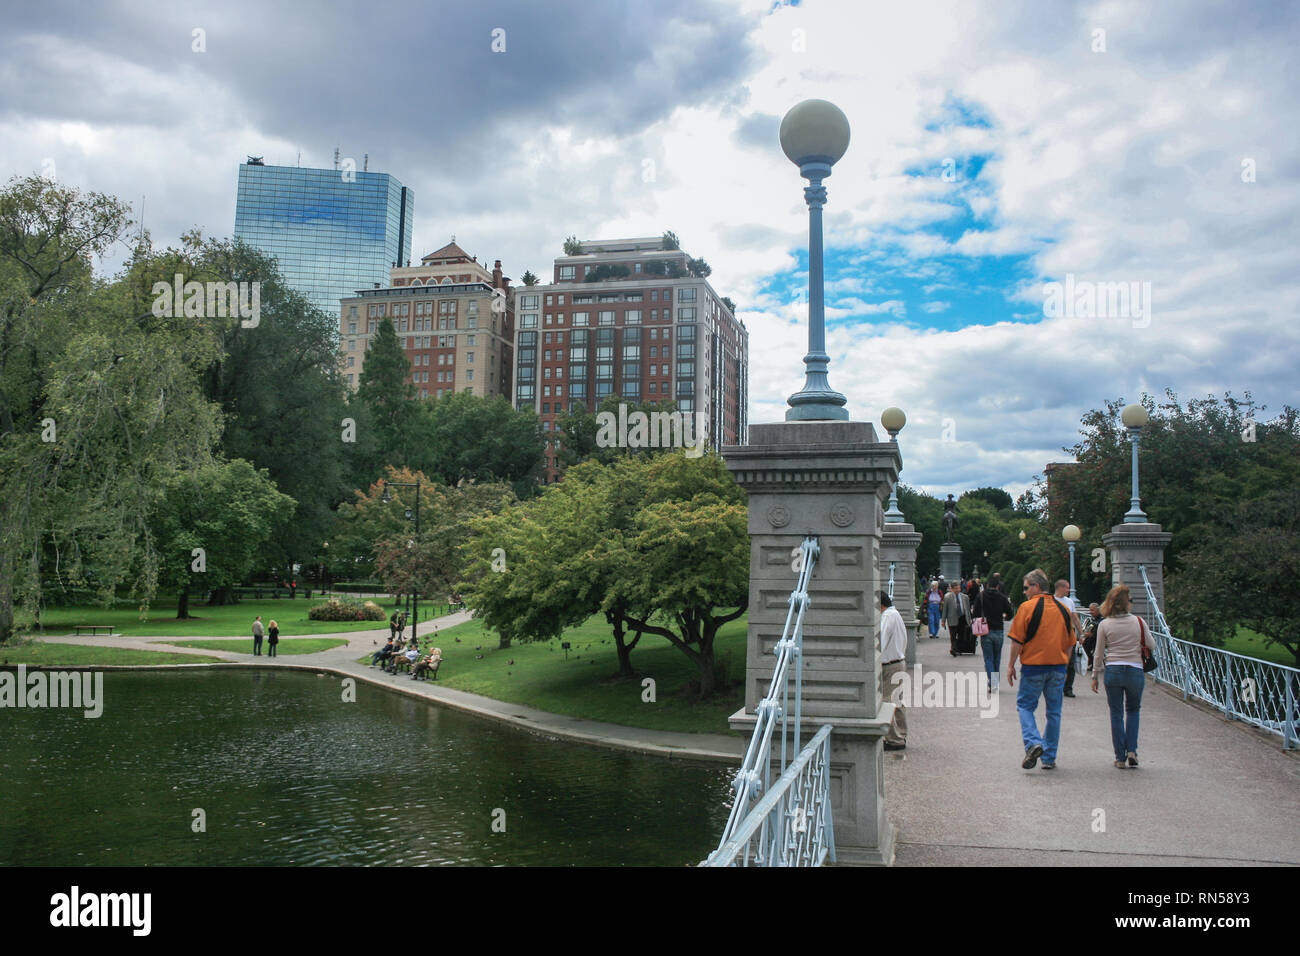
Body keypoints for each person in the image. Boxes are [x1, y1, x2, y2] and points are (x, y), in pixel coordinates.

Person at [1006, 568, 1076, 770]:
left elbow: (1017, 642)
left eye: (1027, 588)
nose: (1025, 592)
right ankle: (1049, 757)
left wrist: (1011, 665)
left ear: (1037, 587)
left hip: (1034, 667)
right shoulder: (1063, 609)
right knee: (1054, 712)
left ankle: (1033, 742)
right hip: (1057, 667)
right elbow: (1071, 642)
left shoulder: (1027, 608)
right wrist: (1064, 666)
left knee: (1025, 706)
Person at [1091, 584, 1154, 769]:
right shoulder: (1139, 622)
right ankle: (1132, 750)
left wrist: (1094, 675)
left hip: (1113, 671)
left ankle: (1120, 757)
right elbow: (1152, 645)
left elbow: (1098, 652)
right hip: (1135, 670)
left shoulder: (1105, 624)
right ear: (1127, 603)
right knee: (1133, 711)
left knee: (1116, 713)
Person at [878, 593, 908, 751]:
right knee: (897, 702)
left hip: (889, 666)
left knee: (885, 702)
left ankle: (893, 739)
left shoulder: (887, 616)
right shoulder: (896, 614)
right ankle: (901, 734)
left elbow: (880, 643)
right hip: (899, 662)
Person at [972, 576, 1012, 692]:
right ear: (998, 586)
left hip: (985, 630)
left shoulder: (981, 596)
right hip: (998, 630)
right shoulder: (1002, 597)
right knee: (997, 658)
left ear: (988, 585)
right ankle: (994, 682)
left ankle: (993, 683)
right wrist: (1003, 617)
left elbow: (975, 613)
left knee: (988, 658)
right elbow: (1009, 614)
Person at [1053, 580, 1084, 697]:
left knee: (1070, 664)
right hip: (1055, 637)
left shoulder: (1069, 602)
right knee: (1055, 662)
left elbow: (1075, 618)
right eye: (1067, 588)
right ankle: (1055, 686)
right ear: (1060, 588)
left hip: (1068, 637)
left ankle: (1068, 688)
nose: (1069, 591)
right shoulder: (1052, 601)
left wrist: (1081, 633)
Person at [941, 581, 970, 655]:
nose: (958, 590)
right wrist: (943, 620)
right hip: (952, 618)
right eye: (956, 588)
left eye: (959, 588)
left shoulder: (965, 597)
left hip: (962, 618)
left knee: (961, 635)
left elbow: (967, 609)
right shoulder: (947, 597)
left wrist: (969, 620)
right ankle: (953, 649)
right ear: (952, 589)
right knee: (953, 635)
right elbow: (945, 610)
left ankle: (959, 650)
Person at [1083, 602, 1102, 672]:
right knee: (1084, 642)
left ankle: (1092, 662)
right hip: (1094, 639)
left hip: (1100, 640)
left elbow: (1101, 631)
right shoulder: (1092, 619)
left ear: (1098, 610)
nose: (1091, 612)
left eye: (1092, 610)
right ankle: (1091, 661)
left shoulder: (1102, 619)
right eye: (1090, 610)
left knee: (1086, 643)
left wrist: (1091, 635)